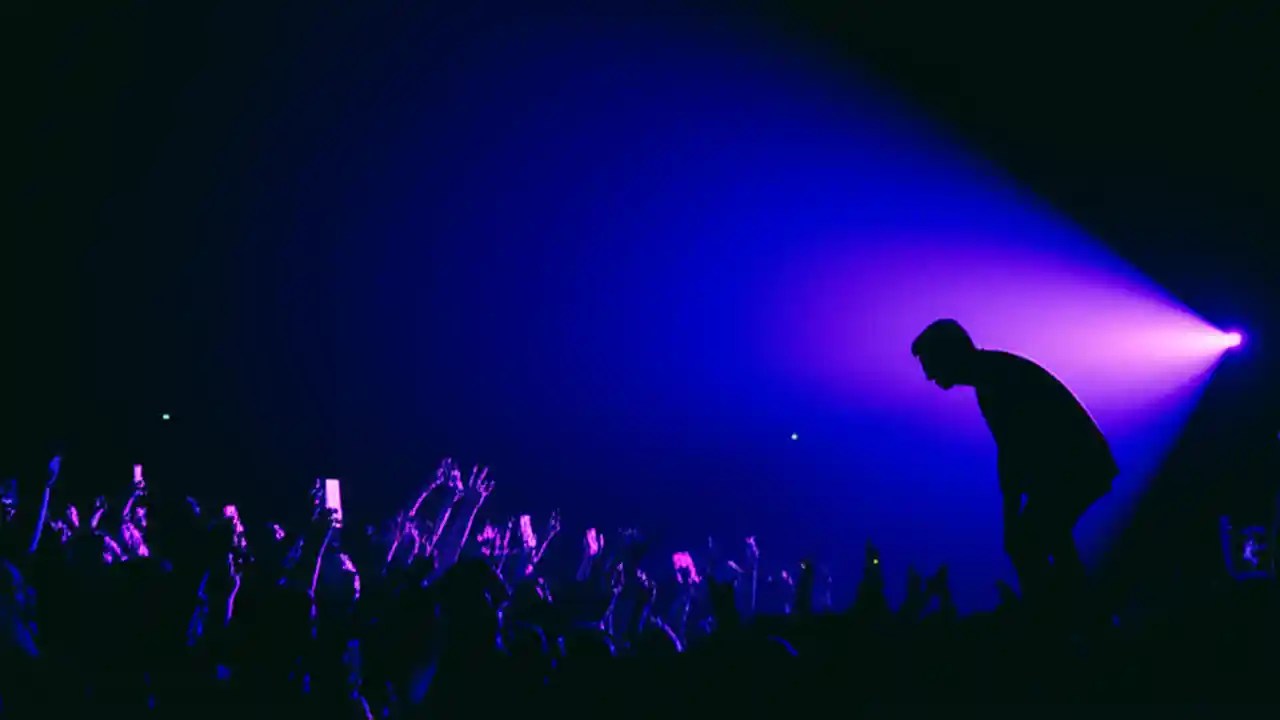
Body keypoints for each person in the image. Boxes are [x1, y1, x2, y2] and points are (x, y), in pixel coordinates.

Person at [911, 319, 1118, 620]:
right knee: (1048, 536)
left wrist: (1010, 519)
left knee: (1028, 542)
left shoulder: (995, 380)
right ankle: (1076, 618)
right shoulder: (993, 374)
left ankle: (1057, 620)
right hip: (1083, 464)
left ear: (948, 354)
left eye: (930, 362)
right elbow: (1015, 454)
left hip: (1077, 466)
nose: (928, 375)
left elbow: (1013, 454)